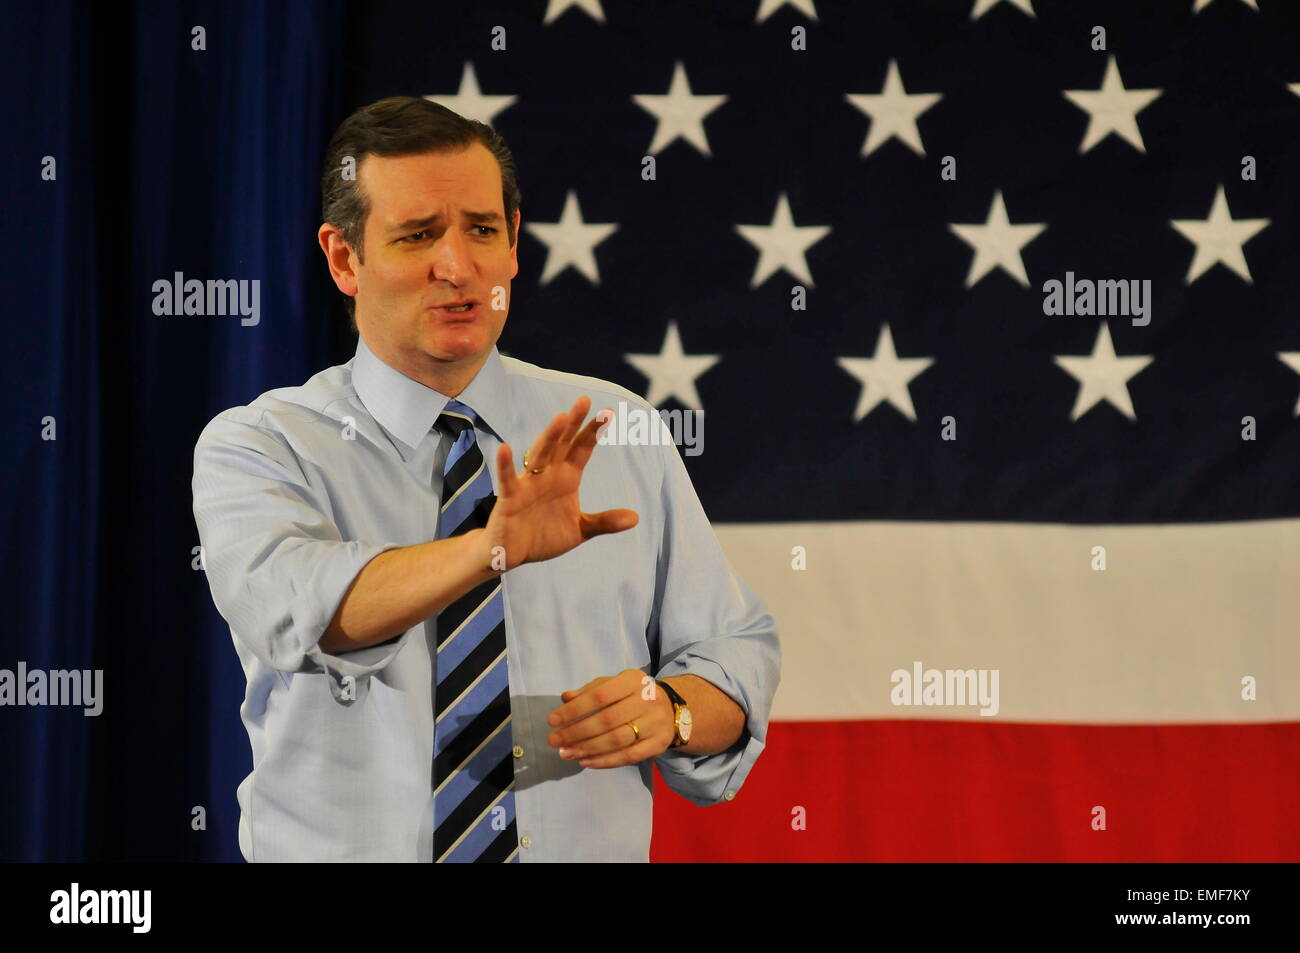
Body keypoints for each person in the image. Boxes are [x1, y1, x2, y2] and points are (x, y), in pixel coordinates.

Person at [191, 95, 780, 862]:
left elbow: (735, 656)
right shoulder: (264, 443)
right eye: (418, 235)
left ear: (514, 245)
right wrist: (486, 549)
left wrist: (668, 710)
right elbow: (307, 611)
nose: (457, 266)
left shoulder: (615, 426)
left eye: (481, 229)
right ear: (344, 259)